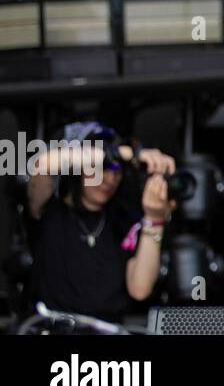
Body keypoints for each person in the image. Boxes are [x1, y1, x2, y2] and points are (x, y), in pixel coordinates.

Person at [24, 123, 177, 323]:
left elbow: (140, 290)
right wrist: (127, 153)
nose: (109, 179)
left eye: (117, 171)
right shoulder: (50, 212)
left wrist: (154, 219)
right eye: (100, 169)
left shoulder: (122, 220)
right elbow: (42, 164)